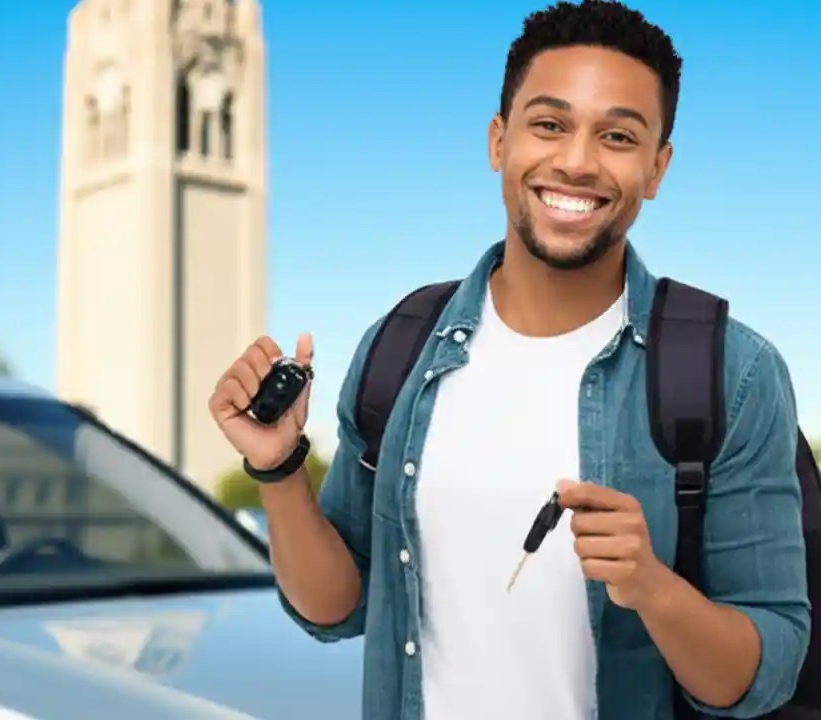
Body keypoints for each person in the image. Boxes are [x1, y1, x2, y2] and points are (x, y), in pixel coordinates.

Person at [206, 1, 810, 719]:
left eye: (618, 136)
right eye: (549, 124)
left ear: (657, 167)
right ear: (499, 142)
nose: (578, 161)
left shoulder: (730, 374)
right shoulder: (399, 347)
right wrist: (276, 468)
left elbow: (764, 672)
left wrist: (652, 586)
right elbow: (335, 611)